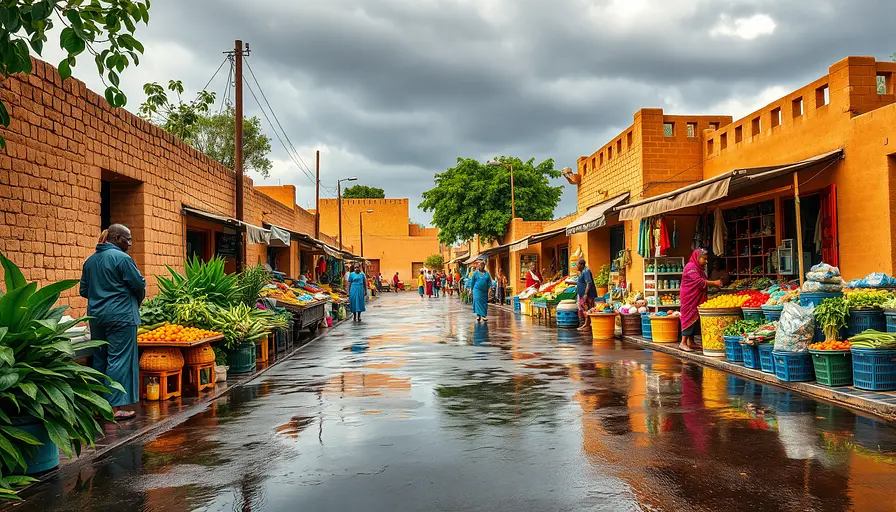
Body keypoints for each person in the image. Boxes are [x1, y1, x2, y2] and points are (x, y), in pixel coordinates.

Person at [80, 224, 145, 420]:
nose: (131, 244)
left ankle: (99, 405)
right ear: (116, 237)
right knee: (119, 359)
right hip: (121, 317)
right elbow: (139, 285)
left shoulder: (90, 261)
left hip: (97, 317)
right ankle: (114, 408)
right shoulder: (123, 259)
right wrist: (135, 301)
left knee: (100, 359)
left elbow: (84, 291)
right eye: (128, 239)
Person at [680, 249, 723, 352]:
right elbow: (698, 282)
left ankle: (691, 342)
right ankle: (683, 342)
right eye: (704, 259)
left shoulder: (699, 268)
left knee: (695, 318)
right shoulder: (691, 267)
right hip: (689, 297)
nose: (706, 261)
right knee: (688, 317)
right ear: (697, 257)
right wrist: (715, 283)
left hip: (697, 297)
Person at [575, 259, 598, 331]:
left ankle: (587, 325)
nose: (577, 267)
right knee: (585, 309)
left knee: (587, 309)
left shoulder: (586, 271)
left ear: (582, 265)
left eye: (577, 265)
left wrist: (585, 294)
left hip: (588, 295)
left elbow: (589, 283)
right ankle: (587, 324)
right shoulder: (582, 272)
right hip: (582, 294)